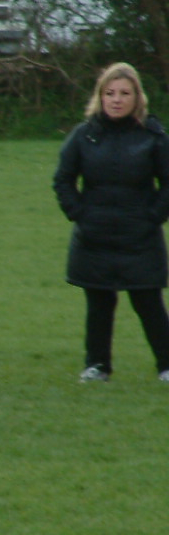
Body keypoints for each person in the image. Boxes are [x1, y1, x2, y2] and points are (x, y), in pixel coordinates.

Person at [52, 62, 169, 383]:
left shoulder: (154, 137)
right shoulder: (84, 135)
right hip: (94, 235)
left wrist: (153, 217)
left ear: (137, 98)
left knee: (148, 302)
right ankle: (97, 366)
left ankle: (166, 365)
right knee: (99, 304)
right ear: (100, 96)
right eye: (110, 93)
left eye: (124, 93)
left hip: (140, 236)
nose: (117, 100)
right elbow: (63, 179)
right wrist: (80, 213)